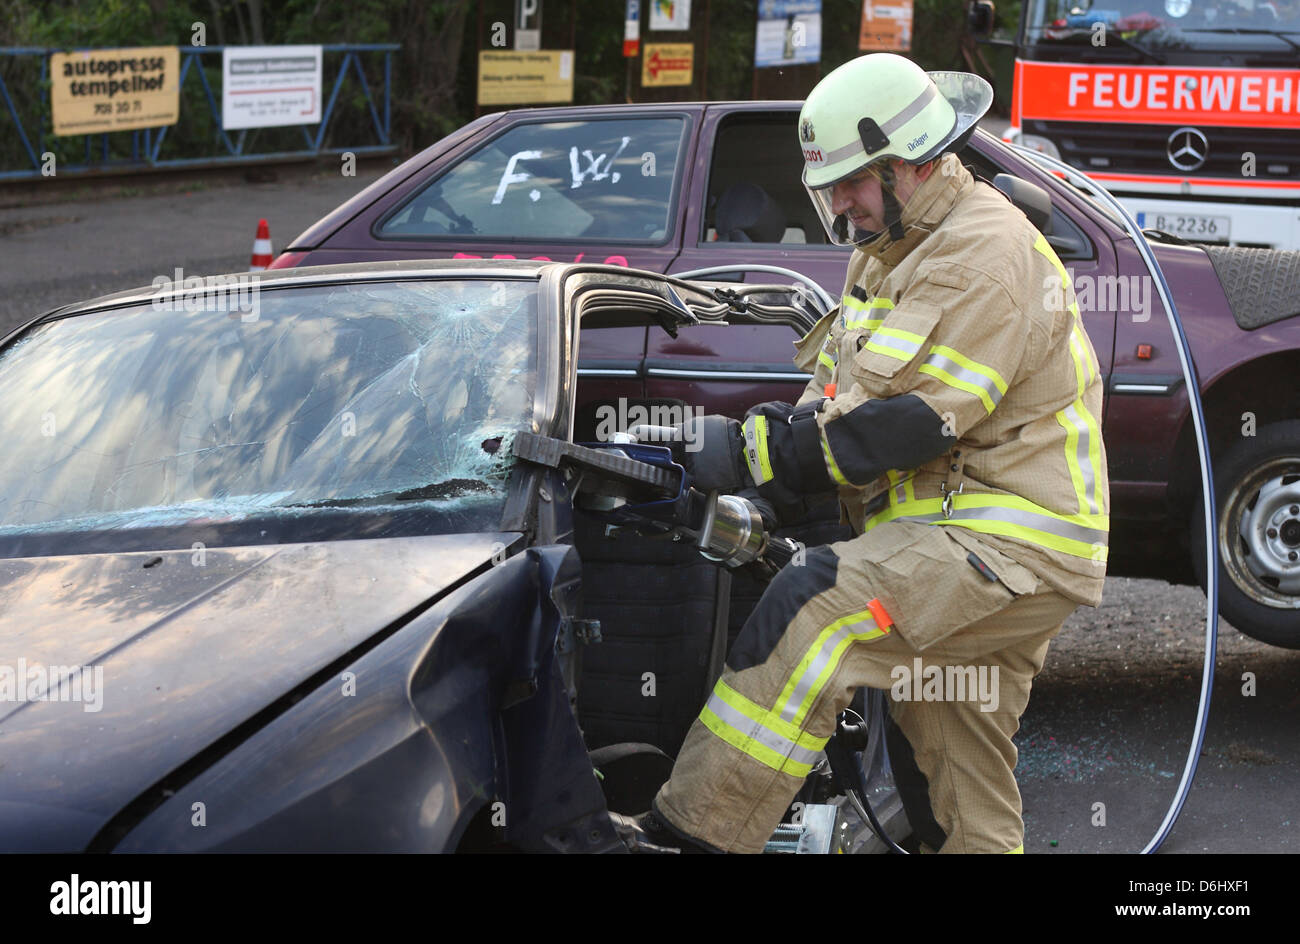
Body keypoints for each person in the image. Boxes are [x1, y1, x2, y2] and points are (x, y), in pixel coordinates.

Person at [635, 53, 1110, 854]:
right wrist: (768, 470)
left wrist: (740, 454)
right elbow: (833, 400)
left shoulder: (985, 253)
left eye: (853, 181)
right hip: (950, 544)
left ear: (909, 164)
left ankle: (691, 838)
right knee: (959, 774)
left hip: (1010, 545)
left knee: (818, 611)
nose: (839, 202)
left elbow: (903, 424)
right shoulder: (884, 250)